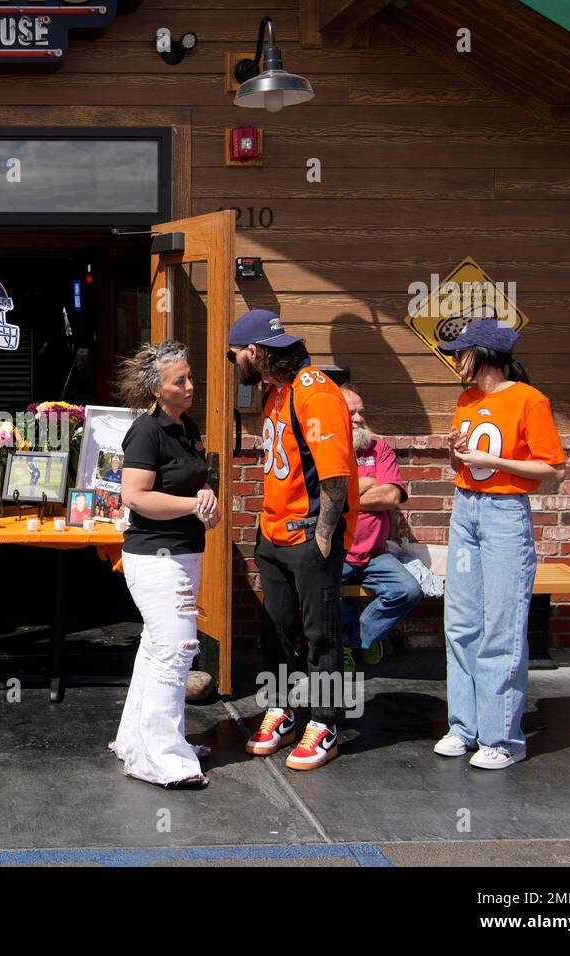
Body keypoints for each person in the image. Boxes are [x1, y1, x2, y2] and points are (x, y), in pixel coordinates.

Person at [227, 310, 358, 771]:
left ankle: (325, 723)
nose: (233, 361)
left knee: (322, 634)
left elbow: (336, 474)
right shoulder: (275, 391)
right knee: (276, 630)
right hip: (274, 532)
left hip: (308, 535)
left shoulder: (316, 392)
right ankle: (282, 710)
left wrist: (323, 536)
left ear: (255, 352)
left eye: (235, 353)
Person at [436, 320, 564, 770]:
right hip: (465, 507)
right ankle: (463, 727)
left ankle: (503, 739)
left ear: (485, 355)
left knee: (502, 624)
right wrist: (456, 450)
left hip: (505, 513)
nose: (455, 360)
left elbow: (553, 469)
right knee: (461, 621)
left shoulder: (530, 400)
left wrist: (492, 459)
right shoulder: (468, 398)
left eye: (461, 352)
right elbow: (463, 462)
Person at [109, 340, 220, 789]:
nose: (192, 385)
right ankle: (160, 759)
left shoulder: (184, 426)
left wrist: (204, 499)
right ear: (158, 389)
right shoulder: (146, 431)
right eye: (182, 380)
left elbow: (190, 485)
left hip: (182, 554)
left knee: (158, 649)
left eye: (191, 377)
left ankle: (142, 742)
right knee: (175, 653)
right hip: (158, 559)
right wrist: (193, 504)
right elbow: (134, 496)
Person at [339, 385, 422, 672]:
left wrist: (344, 497)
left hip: (376, 554)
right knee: (321, 591)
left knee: (408, 590)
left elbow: (391, 496)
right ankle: (356, 640)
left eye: (362, 412)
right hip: (337, 553)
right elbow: (319, 499)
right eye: (351, 414)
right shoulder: (324, 452)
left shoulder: (379, 449)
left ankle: (356, 639)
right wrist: (368, 484)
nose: (359, 419)